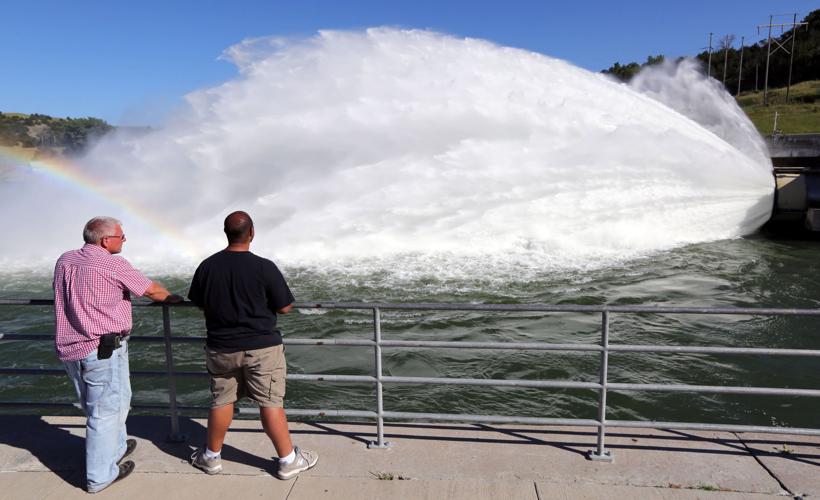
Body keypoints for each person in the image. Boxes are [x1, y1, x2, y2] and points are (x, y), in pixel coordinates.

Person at [187, 211, 318, 480]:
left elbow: (198, 301)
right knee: (270, 402)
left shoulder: (207, 266)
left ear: (226, 233)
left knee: (221, 400)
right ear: (252, 233)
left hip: (221, 347)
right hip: (261, 348)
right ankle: (288, 461)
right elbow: (284, 307)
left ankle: (211, 458)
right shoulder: (264, 267)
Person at [54, 216, 180, 493]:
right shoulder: (112, 263)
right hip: (101, 348)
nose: (124, 240)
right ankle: (100, 477)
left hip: (71, 345)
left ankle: (116, 447)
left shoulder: (65, 259)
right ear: (105, 240)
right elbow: (152, 291)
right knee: (104, 412)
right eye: (121, 236)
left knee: (111, 402)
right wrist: (176, 298)